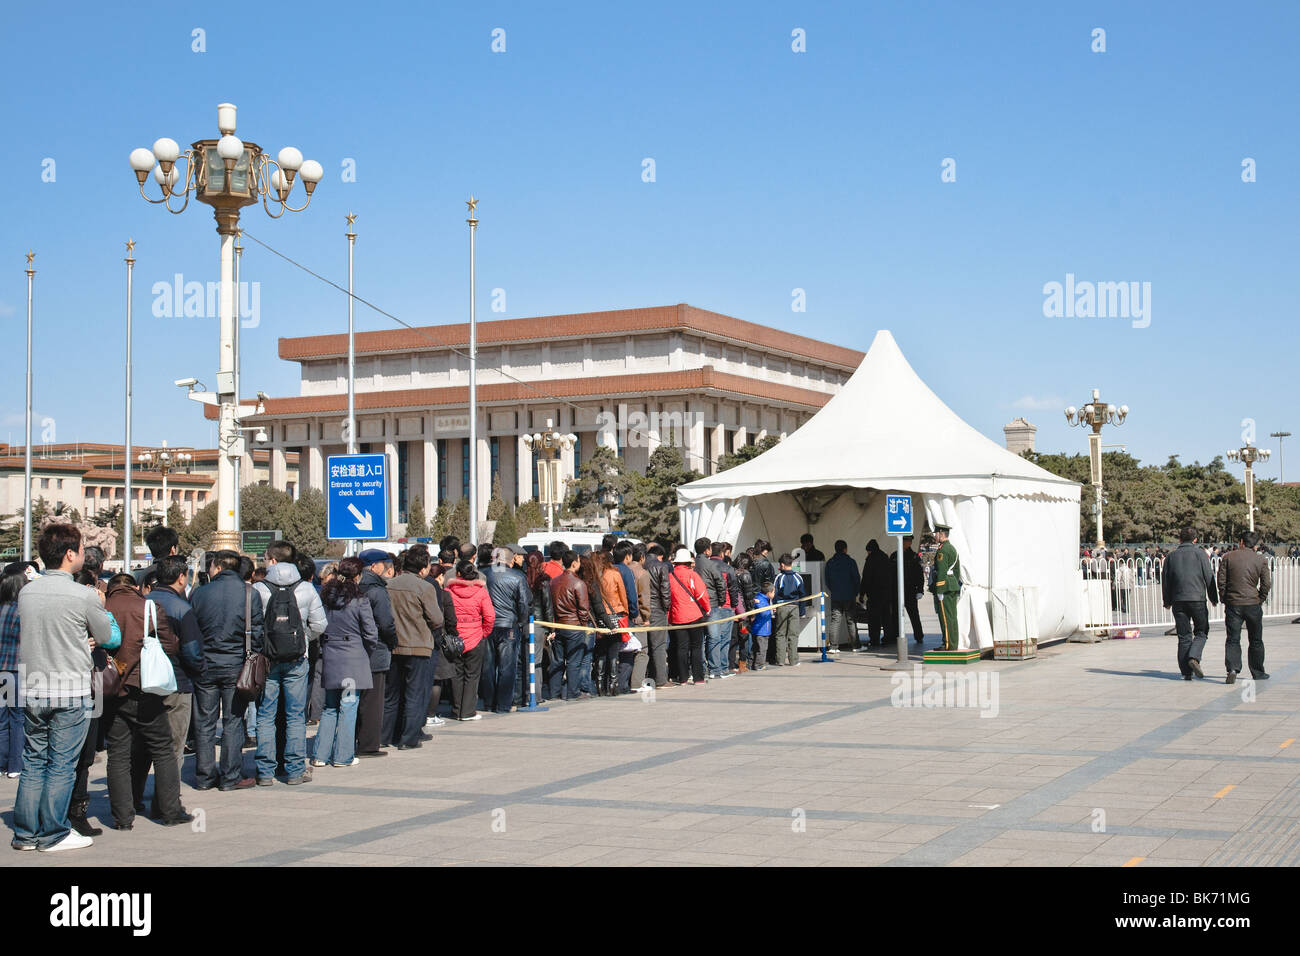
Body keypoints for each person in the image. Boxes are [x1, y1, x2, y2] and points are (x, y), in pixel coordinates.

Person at [12, 524, 111, 852]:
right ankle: (53, 832)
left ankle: (26, 834)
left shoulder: (27, 591)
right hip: (69, 687)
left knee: (35, 759)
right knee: (61, 763)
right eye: (81, 549)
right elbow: (106, 635)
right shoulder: (82, 594)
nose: (83, 554)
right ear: (70, 554)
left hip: (33, 685)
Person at [102, 573, 190, 829]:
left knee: (117, 754)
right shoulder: (148, 607)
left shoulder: (103, 607)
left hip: (112, 688)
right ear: (137, 587)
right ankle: (170, 811)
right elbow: (171, 646)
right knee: (162, 749)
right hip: (145, 686)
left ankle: (122, 819)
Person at [190, 550, 262, 791]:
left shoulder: (199, 593)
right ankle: (230, 776)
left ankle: (204, 776)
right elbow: (258, 632)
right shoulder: (249, 593)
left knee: (205, 721)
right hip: (236, 665)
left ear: (217, 568)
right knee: (233, 721)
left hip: (205, 665)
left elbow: (191, 631)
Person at [138, 555, 204, 815]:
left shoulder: (143, 602)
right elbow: (192, 650)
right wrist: (199, 670)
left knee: (144, 744)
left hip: (144, 680)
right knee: (173, 746)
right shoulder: (181, 608)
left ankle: (135, 797)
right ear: (181, 577)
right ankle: (167, 802)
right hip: (176, 681)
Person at [312, 557, 377, 768]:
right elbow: (370, 633)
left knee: (330, 707)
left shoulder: (327, 598)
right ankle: (343, 755)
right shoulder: (360, 600)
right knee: (348, 706)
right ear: (357, 576)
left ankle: (320, 755)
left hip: (331, 656)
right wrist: (366, 653)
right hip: (352, 658)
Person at [384, 546, 443, 746]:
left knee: (392, 694)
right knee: (415, 693)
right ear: (423, 568)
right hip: (418, 646)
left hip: (394, 645)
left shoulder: (389, 585)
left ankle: (387, 736)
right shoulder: (425, 587)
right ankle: (410, 737)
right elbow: (436, 619)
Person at [1161, 527, 1219, 680]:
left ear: (1179, 539)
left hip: (1178, 601)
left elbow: (1165, 581)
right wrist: (1214, 597)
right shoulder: (1200, 554)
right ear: (1195, 540)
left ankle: (1186, 672)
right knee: (1201, 631)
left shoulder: (1171, 557)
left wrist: (1167, 601)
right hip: (1197, 599)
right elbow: (1209, 576)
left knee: (1184, 636)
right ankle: (1194, 657)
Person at [355, 549, 397, 757]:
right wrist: (393, 641)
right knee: (373, 700)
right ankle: (369, 744)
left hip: (355, 649)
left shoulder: (356, 587)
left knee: (356, 697)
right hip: (377, 649)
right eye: (384, 564)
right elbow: (386, 622)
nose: (386, 568)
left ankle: (353, 739)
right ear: (374, 566)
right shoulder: (377, 590)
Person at [1217, 531, 1271, 684]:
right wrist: (1261, 598)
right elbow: (1266, 583)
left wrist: (1224, 597)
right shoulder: (1260, 559)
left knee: (1233, 638)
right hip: (1253, 603)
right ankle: (1258, 672)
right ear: (1254, 544)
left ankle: (1233, 669)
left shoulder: (1228, 557)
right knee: (1256, 639)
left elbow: (1221, 580)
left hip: (1233, 603)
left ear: (1241, 541)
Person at [480, 546, 529, 714]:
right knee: (507, 667)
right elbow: (523, 603)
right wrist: (521, 622)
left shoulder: (484, 575)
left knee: (488, 665)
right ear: (511, 560)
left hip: (487, 625)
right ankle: (503, 704)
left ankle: (488, 702)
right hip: (508, 624)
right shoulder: (517, 577)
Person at [444, 560, 494, 721]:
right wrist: (484, 632)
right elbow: (490, 616)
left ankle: (457, 709)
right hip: (475, 636)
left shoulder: (448, 591)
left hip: (455, 637)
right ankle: (468, 711)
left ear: (458, 573)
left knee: (457, 674)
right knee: (472, 675)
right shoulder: (481, 591)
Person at [550, 551, 593, 700]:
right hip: (574, 626)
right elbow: (583, 609)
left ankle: (554, 692)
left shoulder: (554, 582)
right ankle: (572, 692)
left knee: (558, 661)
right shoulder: (578, 583)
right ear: (574, 563)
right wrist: (583, 625)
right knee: (574, 661)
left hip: (560, 625)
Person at [666, 548, 710, 685]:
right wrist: (707, 609)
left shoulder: (670, 576)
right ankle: (698, 678)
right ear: (687, 562)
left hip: (677, 616)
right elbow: (701, 594)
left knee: (681, 647)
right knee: (696, 647)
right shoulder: (692, 575)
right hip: (694, 615)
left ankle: (683, 678)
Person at [1, 570, 28, 779]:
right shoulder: (24, 612)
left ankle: (1, 763)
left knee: (1, 718)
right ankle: (15, 765)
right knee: (18, 718)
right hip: (18, 670)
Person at [693, 537, 729, 681]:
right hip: (712, 604)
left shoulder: (692, 564)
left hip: (695, 605)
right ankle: (715, 669)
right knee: (714, 638)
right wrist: (721, 601)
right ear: (708, 550)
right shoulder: (711, 564)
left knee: (699, 639)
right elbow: (720, 583)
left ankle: (701, 668)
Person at [825, 539, 861, 652]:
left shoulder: (830, 562)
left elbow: (827, 580)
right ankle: (855, 646)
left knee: (835, 621)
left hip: (836, 596)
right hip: (849, 595)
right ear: (845, 549)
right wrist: (855, 592)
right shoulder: (851, 561)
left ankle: (833, 647)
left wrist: (834, 590)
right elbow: (856, 579)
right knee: (851, 620)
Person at [644, 544, 672, 686]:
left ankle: (647, 678)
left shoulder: (641, 564)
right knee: (659, 645)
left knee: (645, 647)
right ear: (660, 556)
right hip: (657, 609)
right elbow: (665, 591)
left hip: (642, 609)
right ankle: (661, 680)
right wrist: (666, 608)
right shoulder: (661, 567)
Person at [931, 525, 962, 651]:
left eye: (936, 534)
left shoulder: (943, 550)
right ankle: (952, 643)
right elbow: (956, 570)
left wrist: (940, 590)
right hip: (951, 584)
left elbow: (942, 571)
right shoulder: (952, 548)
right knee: (952, 616)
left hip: (945, 587)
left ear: (941, 534)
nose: (935, 536)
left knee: (945, 617)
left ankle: (948, 644)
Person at [773, 555, 807, 666]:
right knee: (793, 634)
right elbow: (803, 595)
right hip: (794, 608)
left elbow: (774, 594)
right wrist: (802, 611)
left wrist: (773, 607)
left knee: (780, 634)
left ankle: (780, 660)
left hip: (781, 607)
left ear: (782, 565)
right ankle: (793, 660)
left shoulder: (779, 577)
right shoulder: (798, 577)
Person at [858, 540, 893, 648]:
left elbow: (866, 577)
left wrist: (862, 593)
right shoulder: (885, 557)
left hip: (874, 594)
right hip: (886, 593)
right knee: (886, 617)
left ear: (870, 550)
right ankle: (888, 638)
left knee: (874, 619)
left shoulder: (871, 559)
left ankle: (874, 639)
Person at [627, 545, 653, 689]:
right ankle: (637, 683)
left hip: (624, 617)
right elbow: (644, 598)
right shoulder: (642, 574)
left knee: (626, 651)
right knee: (642, 651)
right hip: (638, 618)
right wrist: (646, 616)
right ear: (642, 557)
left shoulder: (623, 569)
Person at [900, 536, 925, 646]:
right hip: (897, 591)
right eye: (904, 540)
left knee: (914, 615)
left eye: (907, 541)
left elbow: (920, 575)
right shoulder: (895, 555)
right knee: (895, 616)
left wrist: (920, 590)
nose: (905, 543)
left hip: (910, 590)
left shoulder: (914, 557)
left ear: (910, 543)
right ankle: (895, 636)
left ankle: (919, 636)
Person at [750, 584, 775, 670]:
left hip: (763, 629)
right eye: (773, 592)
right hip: (761, 629)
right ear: (769, 593)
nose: (774, 594)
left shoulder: (763, 599)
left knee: (759, 648)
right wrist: (770, 609)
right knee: (761, 649)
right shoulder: (761, 600)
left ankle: (754, 664)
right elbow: (763, 613)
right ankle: (759, 665)